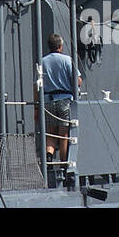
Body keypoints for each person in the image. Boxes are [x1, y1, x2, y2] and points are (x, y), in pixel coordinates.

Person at [41, 33, 81, 167]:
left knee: (51, 133)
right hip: (64, 100)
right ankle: (64, 165)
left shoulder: (42, 61)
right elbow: (77, 81)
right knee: (63, 135)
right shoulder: (67, 60)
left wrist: (36, 109)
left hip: (47, 101)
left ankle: (49, 158)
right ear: (60, 46)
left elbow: (38, 84)